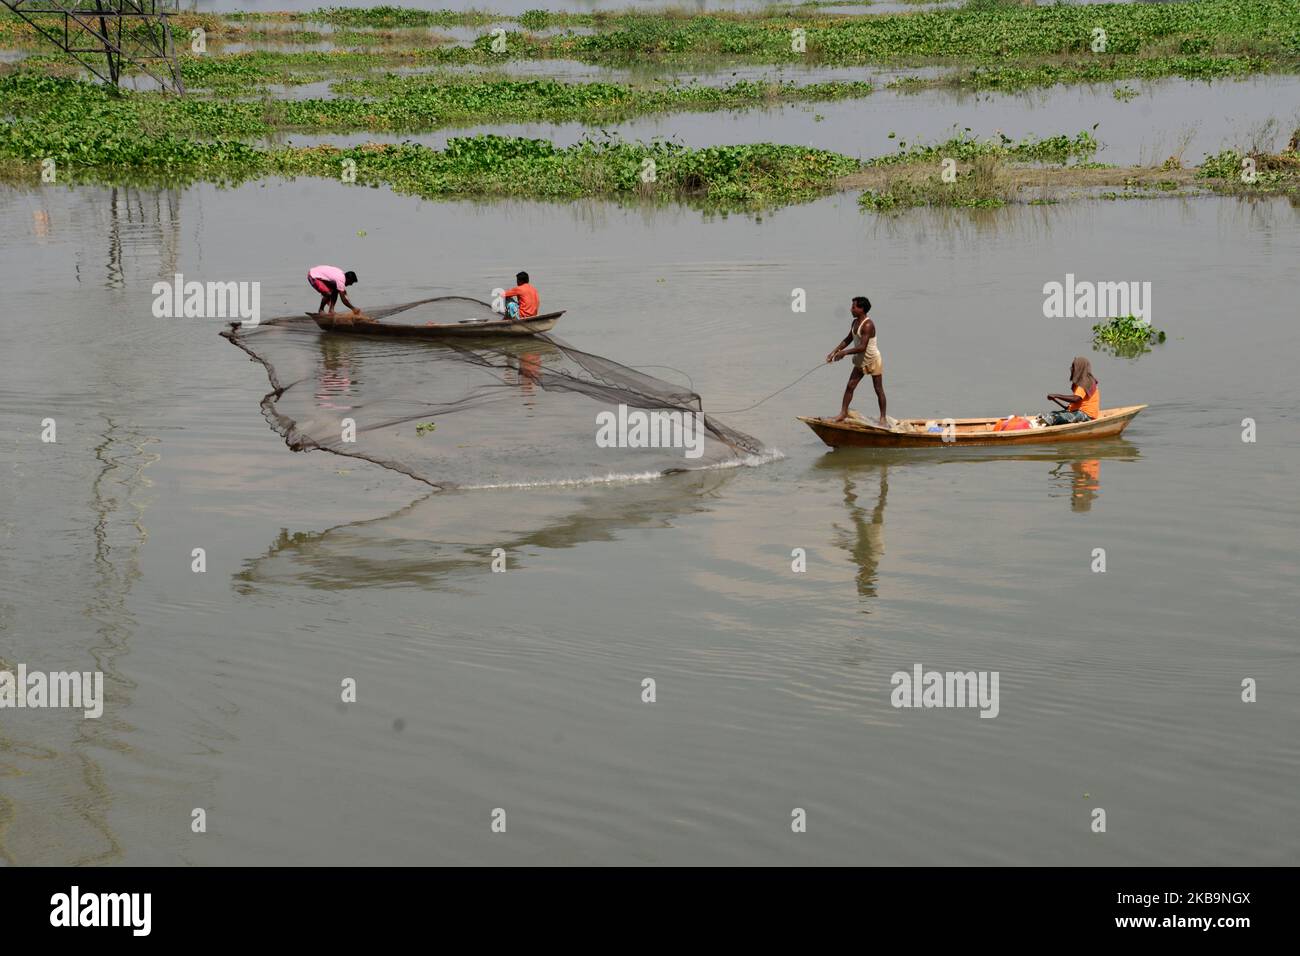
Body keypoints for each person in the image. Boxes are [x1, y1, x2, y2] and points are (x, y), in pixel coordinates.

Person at [827, 296, 885, 423]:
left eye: (853, 307)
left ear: (862, 309)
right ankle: (842, 413)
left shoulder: (868, 325)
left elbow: (862, 347)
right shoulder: (855, 323)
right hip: (860, 361)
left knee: (878, 389)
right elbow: (848, 339)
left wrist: (844, 353)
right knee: (850, 386)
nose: (851, 309)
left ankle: (883, 418)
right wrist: (834, 352)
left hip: (873, 360)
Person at [1043, 356, 1100, 425]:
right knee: (1052, 414)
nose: (1071, 369)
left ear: (1079, 368)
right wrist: (1070, 407)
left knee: (1056, 418)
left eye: (1073, 367)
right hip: (1079, 411)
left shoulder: (1084, 382)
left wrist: (1056, 395)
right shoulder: (1085, 379)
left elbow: (1076, 399)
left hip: (1086, 414)